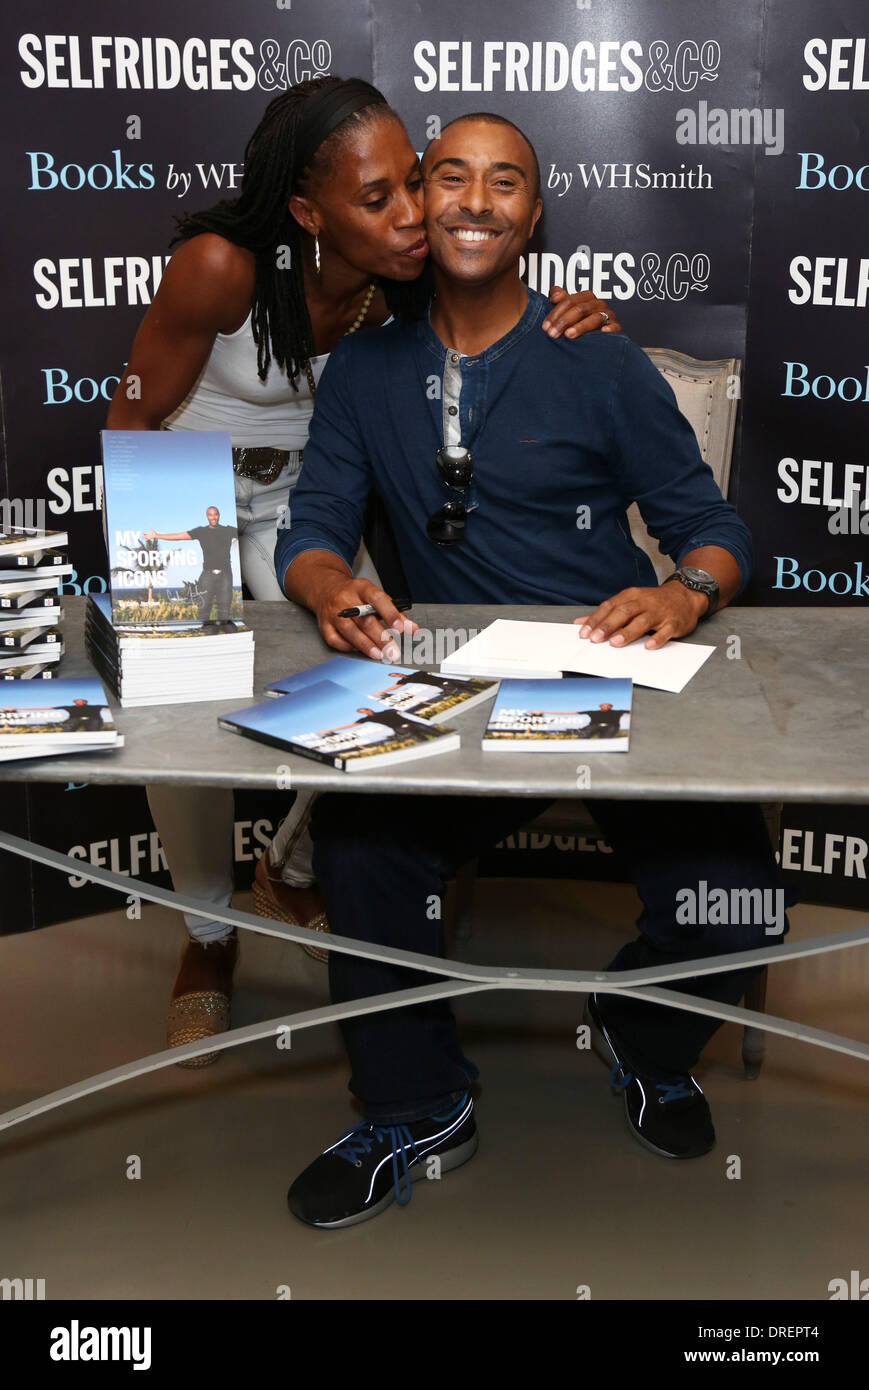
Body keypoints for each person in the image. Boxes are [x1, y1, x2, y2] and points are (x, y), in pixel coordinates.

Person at [275, 112, 791, 1228]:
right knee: (364, 849)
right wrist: (325, 585)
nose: (473, 199)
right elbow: (311, 526)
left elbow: (713, 530)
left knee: (738, 896)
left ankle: (635, 1026)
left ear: (531, 214)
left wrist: (679, 592)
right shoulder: (366, 370)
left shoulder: (595, 357)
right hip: (456, 688)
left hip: (607, 673)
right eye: (446, 177)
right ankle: (416, 1108)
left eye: (501, 182)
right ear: (416, 199)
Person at [106, 76, 621, 1064]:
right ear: (307, 212)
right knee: (179, 719)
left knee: (372, 684)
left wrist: (575, 319)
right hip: (186, 484)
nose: (413, 213)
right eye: (377, 197)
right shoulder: (218, 268)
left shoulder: (413, 273)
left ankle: (289, 858)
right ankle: (207, 939)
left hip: (311, 506)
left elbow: (508, 318)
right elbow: (134, 412)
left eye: (414, 183)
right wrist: (159, 584)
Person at [144, 506, 239, 622]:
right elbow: (178, 536)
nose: (213, 517)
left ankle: (223, 637)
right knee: (203, 610)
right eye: (210, 515)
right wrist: (157, 535)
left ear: (219, 515)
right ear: (207, 516)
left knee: (224, 611)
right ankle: (203, 635)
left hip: (226, 575)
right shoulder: (201, 531)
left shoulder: (228, 530)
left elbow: (246, 534)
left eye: (216, 514)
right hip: (207, 575)